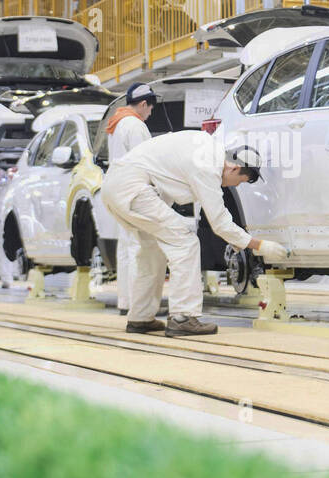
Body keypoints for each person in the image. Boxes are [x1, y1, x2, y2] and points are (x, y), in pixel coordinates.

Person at [101, 130, 287, 337]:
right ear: (234, 167)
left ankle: (140, 318)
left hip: (116, 185)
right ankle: (183, 317)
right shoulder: (209, 166)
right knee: (186, 243)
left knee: (151, 252)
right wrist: (260, 245)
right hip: (134, 189)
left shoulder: (206, 149)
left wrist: (236, 240)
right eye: (240, 181)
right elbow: (219, 222)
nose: (236, 186)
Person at [105, 83, 158, 313]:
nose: (150, 114)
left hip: (117, 189)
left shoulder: (117, 123)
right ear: (144, 104)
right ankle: (139, 305)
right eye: (150, 109)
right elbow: (146, 161)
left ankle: (126, 302)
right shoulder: (135, 126)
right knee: (140, 248)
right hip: (134, 190)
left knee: (126, 248)